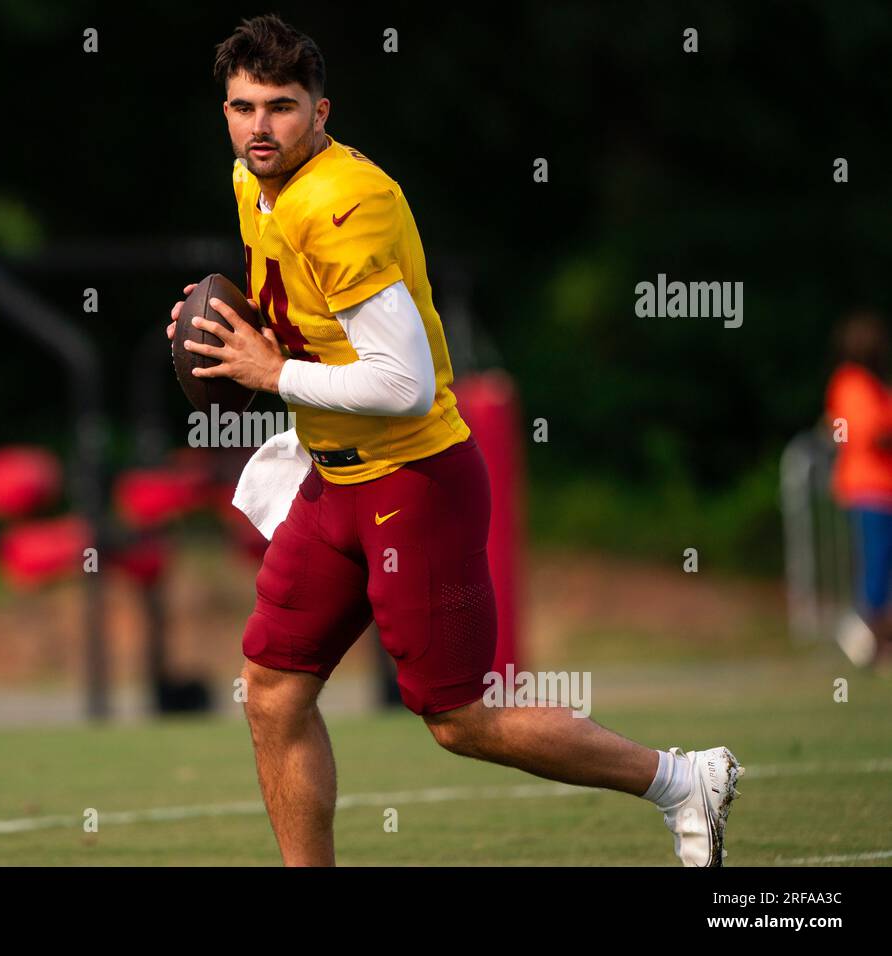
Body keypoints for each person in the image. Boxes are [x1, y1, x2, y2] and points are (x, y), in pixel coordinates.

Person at [166, 14, 741, 866]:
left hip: (411, 480)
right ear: (224, 111)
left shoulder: (341, 201)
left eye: (282, 106)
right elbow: (309, 322)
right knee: (275, 691)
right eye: (244, 106)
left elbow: (400, 384)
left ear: (322, 112)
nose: (261, 125)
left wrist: (268, 372)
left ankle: (679, 779)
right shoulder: (257, 182)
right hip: (334, 481)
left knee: (457, 717)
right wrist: (234, 331)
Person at [825, 310, 892, 668]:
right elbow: (870, 434)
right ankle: (861, 639)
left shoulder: (875, 386)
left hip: (884, 489)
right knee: (876, 567)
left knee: (883, 568)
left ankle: (878, 645)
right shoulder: (852, 383)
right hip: (869, 488)